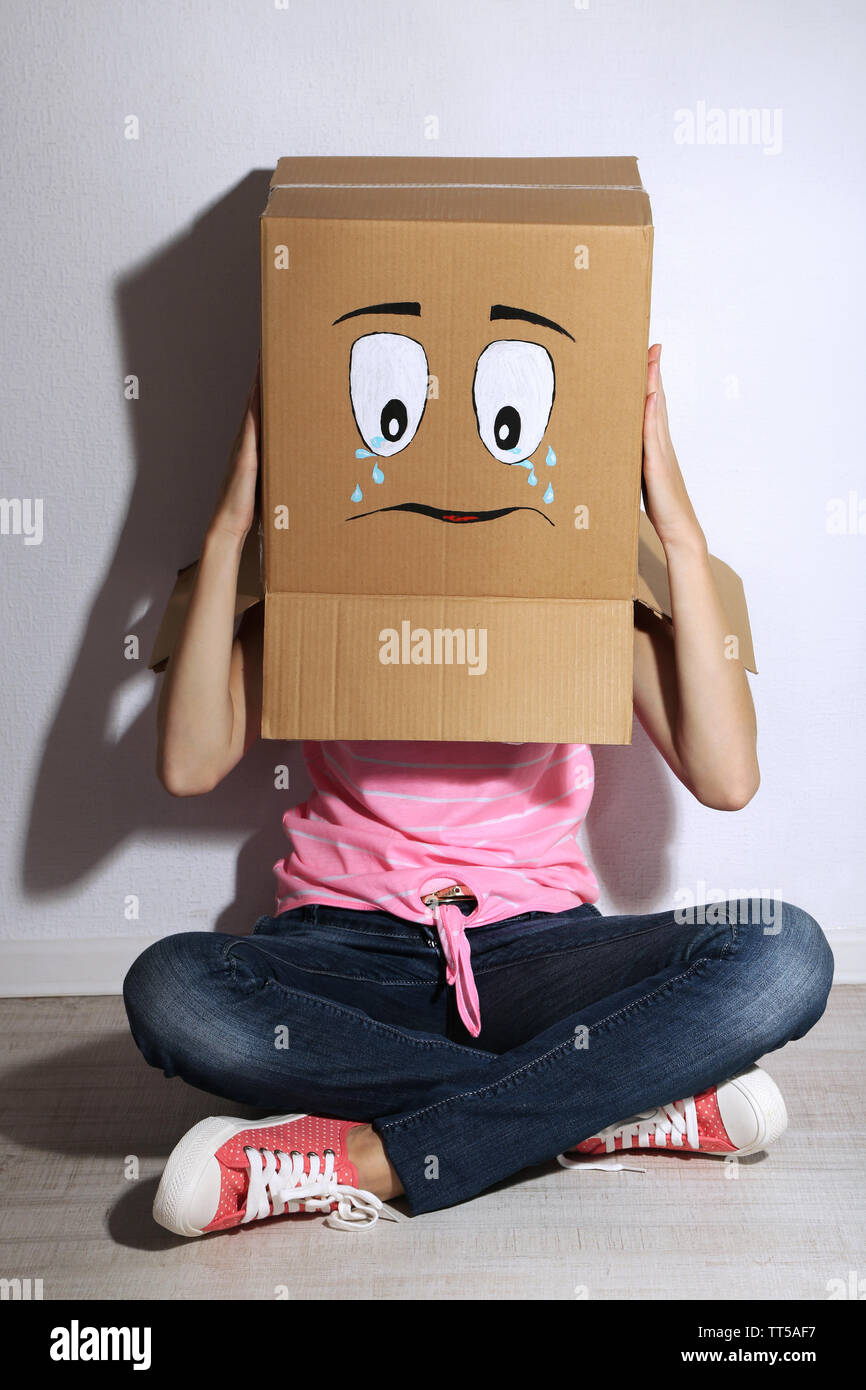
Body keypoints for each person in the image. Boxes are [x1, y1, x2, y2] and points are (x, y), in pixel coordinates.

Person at [123, 344, 833, 1236]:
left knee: (784, 953)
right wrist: (236, 518)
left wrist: (671, 523)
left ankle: (366, 1156)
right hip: (347, 955)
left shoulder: (586, 603)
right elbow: (189, 764)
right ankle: (600, 1104)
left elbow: (727, 778)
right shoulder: (323, 590)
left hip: (534, 952)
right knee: (174, 989)